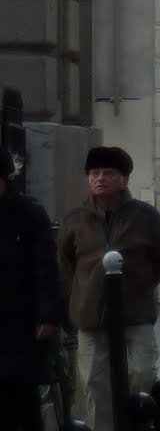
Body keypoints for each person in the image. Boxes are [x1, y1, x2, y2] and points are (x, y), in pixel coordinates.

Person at [60, 146, 160, 431]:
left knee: (143, 375)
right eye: (95, 173)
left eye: (108, 173)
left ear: (124, 180)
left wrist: (137, 290)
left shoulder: (147, 218)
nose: (100, 178)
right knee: (96, 386)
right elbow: (66, 265)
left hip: (136, 315)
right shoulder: (75, 220)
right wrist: (84, 295)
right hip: (91, 319)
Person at [0, 147, 61, 431]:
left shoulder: (29, 213)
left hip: (21, 325)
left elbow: (45, 268)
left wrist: (47, 316)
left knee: (23, 401)